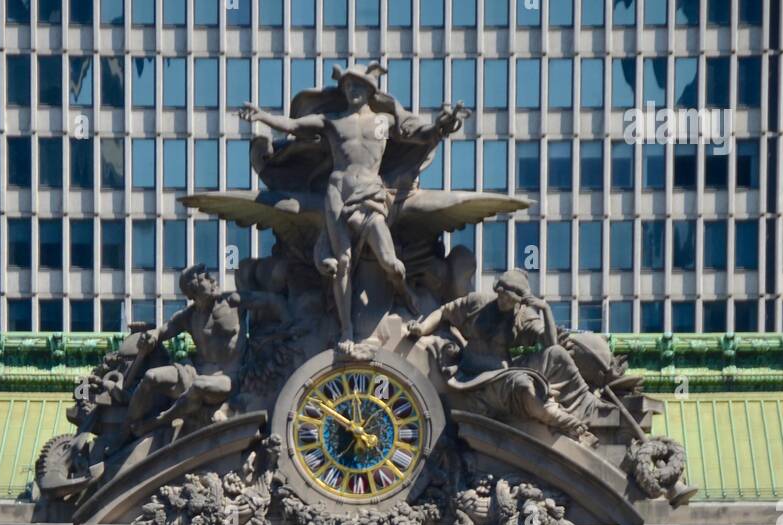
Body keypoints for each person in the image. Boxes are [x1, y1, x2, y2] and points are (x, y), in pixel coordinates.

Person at [240, 63, 466, 345]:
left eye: (357, 85)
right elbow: (295, 126)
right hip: (338, 191)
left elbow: (419, 134)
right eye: (347, 86)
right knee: (342, 262)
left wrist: (441, 126)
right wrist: (262, 116)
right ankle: (346, 330)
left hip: (370, 191)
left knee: (389, 262)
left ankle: (403, 292)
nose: (352, 90)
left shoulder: (384, 121)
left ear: (370, 89)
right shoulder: (332, 121)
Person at [405, 268, 598, 444]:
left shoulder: (524, 316)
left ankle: (588, 403)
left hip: (505, 369)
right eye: (502, 295)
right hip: (476, 370)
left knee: (557, 355)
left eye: (510, 299)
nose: (504, 301)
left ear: (519, 300)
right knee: (525, 386)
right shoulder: (477, 302)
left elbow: (550, 345)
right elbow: (444, 312)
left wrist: (545, 310)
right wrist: (421, 329)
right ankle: (567, 422)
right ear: (497, 290)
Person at [123, 264, 242, 438]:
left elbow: (268, 302)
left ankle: (160, 420)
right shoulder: (190, 316)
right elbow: (166, 329)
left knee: (199, 386)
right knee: (151, 377)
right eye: (205, 278)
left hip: (228, 377)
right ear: (193, 291)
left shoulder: (233, 302)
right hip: (195, 372)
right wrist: (153, 334)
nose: (213, 280)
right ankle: (128, 428)